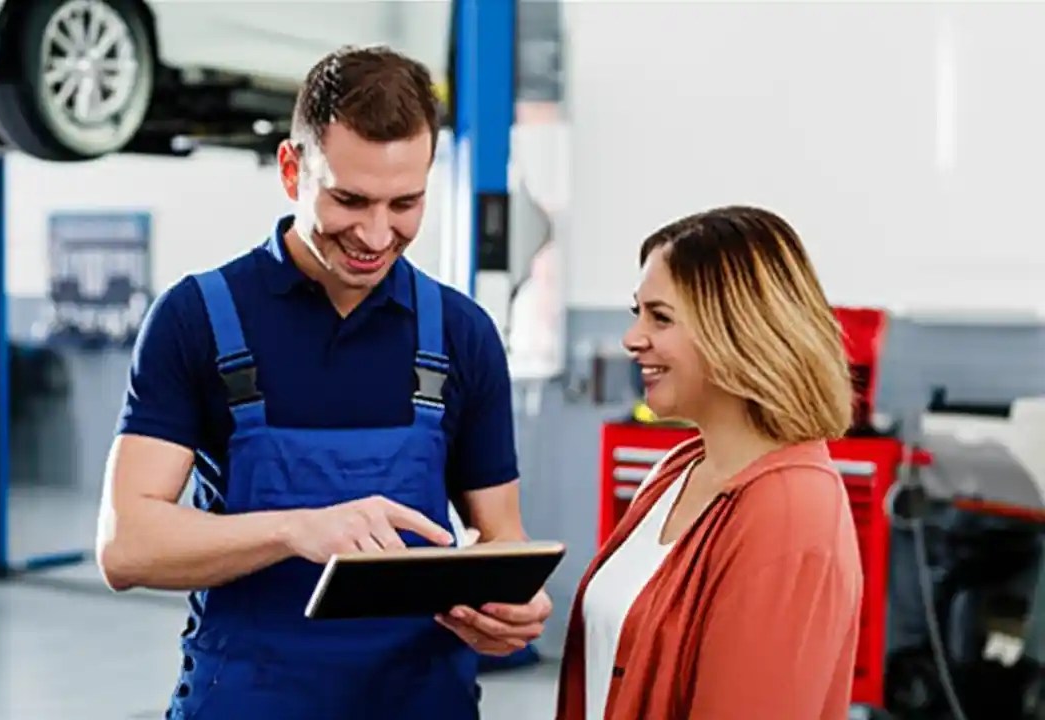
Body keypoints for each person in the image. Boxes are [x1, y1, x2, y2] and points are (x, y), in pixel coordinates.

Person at [95, 45, 552, 720]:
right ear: (291, 169)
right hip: (249, 699)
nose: (375, 233)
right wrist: (294, 531)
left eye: (406, 203)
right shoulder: (196, 319)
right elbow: (126, 545)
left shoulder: (461, 335)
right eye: (349, 199)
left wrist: (510, 604)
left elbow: (502, 534)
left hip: (421, 701)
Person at [554, 206, 865, 720]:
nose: (632, 339)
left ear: (736, 330)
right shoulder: (674, 471)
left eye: (660, 317)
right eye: (638, 313)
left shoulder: (789, 510)